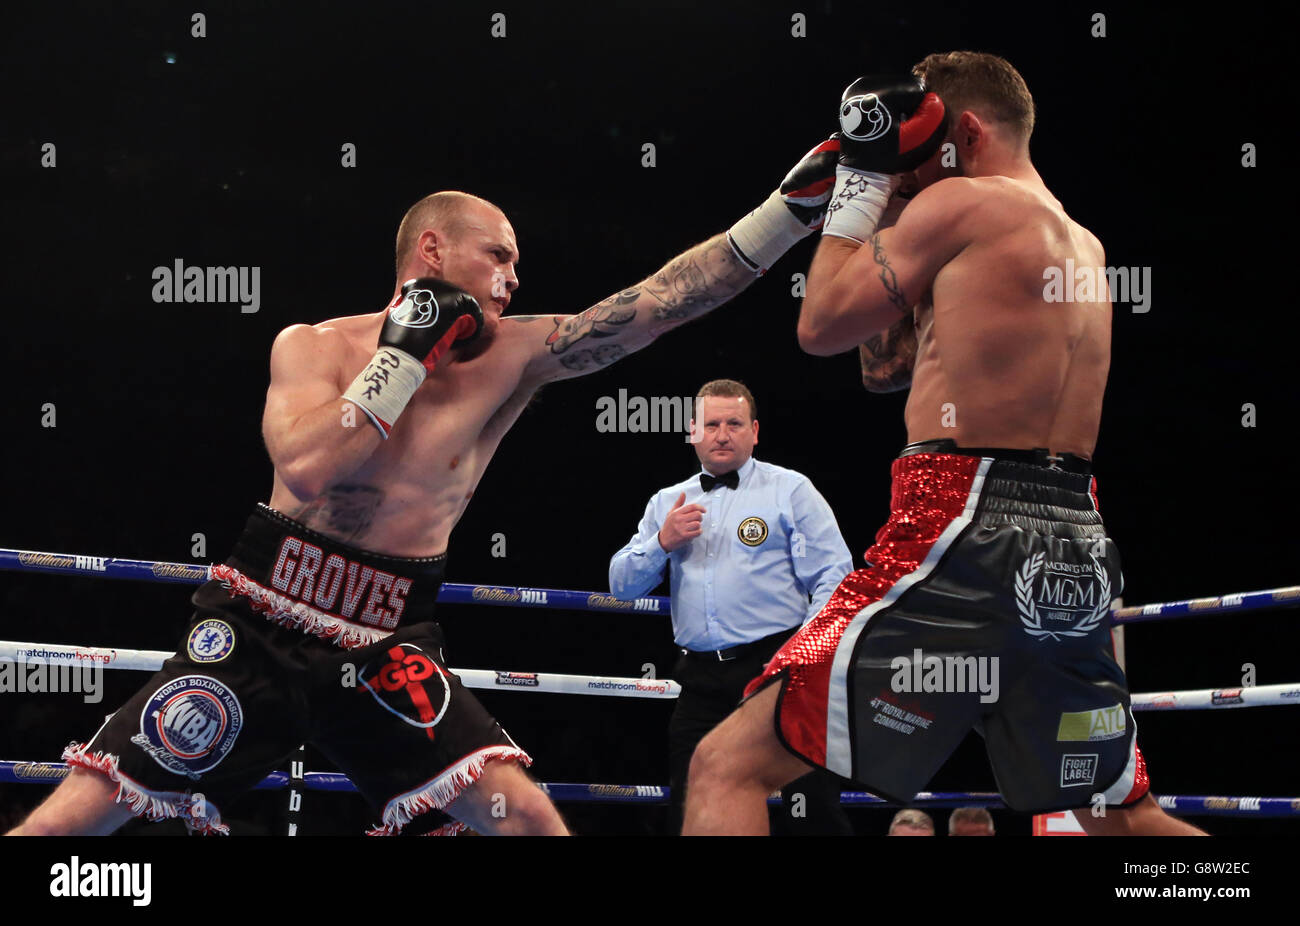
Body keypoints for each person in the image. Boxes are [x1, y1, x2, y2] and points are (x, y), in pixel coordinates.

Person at [8, 136, 842, 836]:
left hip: (389, 639)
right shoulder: (313, 346)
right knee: (79, 815)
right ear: (434, 251)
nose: (514, 276)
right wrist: (403, 356)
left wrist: (789, 211)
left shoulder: (516, 356)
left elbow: (662, 302)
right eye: (499, 255)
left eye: (517, 263)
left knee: (528, 818)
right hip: (261, 620)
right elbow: (307, 467)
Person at [682, 54, 1207, 836]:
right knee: (1122, 818)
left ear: (965, 131)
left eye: (922, 151)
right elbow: (885, 368)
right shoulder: (1084, 246)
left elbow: (821, 324)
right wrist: (894, 203)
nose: (914, 170)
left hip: (961, 525)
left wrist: (861, 184)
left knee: (725, 766)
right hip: (1074, 543)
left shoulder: (962, 202)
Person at [609, 379, 854, 835]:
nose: (722, 435)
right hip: (700, 681)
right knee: (692, 808)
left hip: (776, 669)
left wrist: (804, 653)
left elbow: (833, 575)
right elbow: (621, 585)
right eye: (712, 424)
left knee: (809, 807)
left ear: (754, 431)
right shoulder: (668, 501)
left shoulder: (790, 489)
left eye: (734, 424)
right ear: (692, 431)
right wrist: (662, 542)